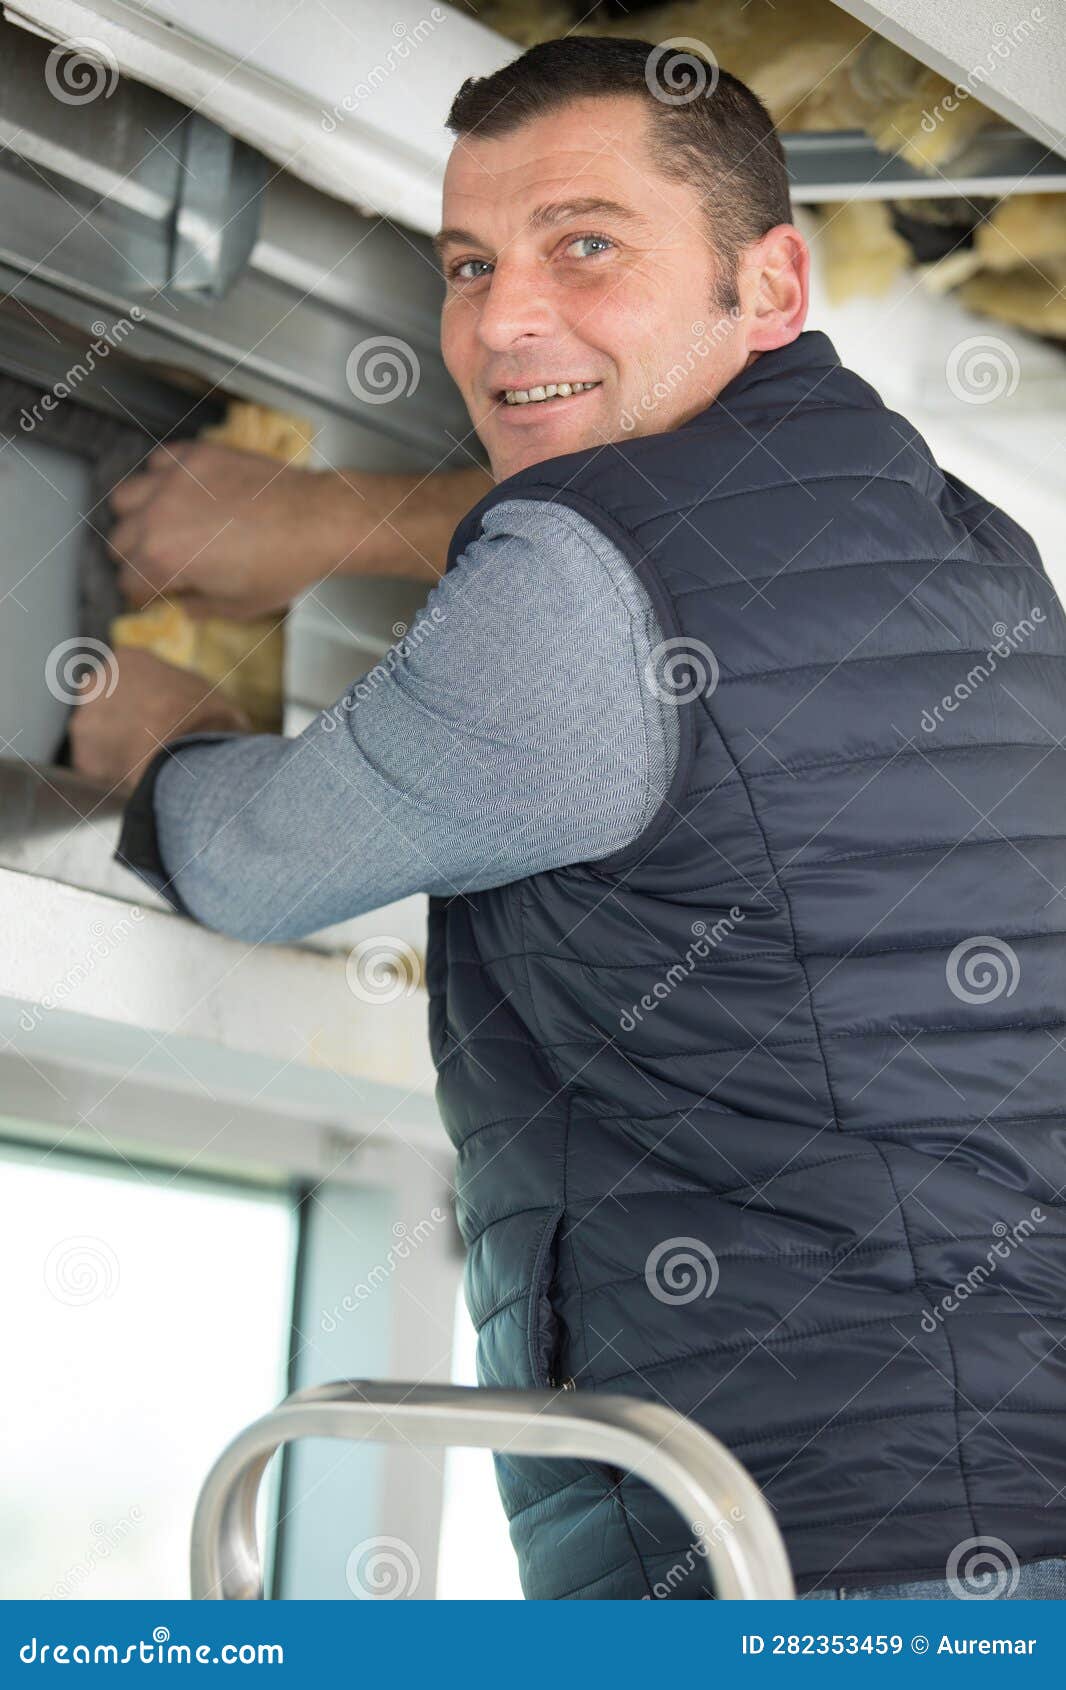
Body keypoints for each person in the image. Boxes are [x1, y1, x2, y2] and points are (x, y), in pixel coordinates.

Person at [81, 37, 1066, 1601]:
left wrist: (153, 728)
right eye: (467, 264)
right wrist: (329, 523)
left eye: (584, 248)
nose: (501, 321)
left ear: (771, 285)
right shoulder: (970, 543)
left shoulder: (579, 589)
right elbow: (680, 559)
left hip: (801, 1564)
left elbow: (254, 860)